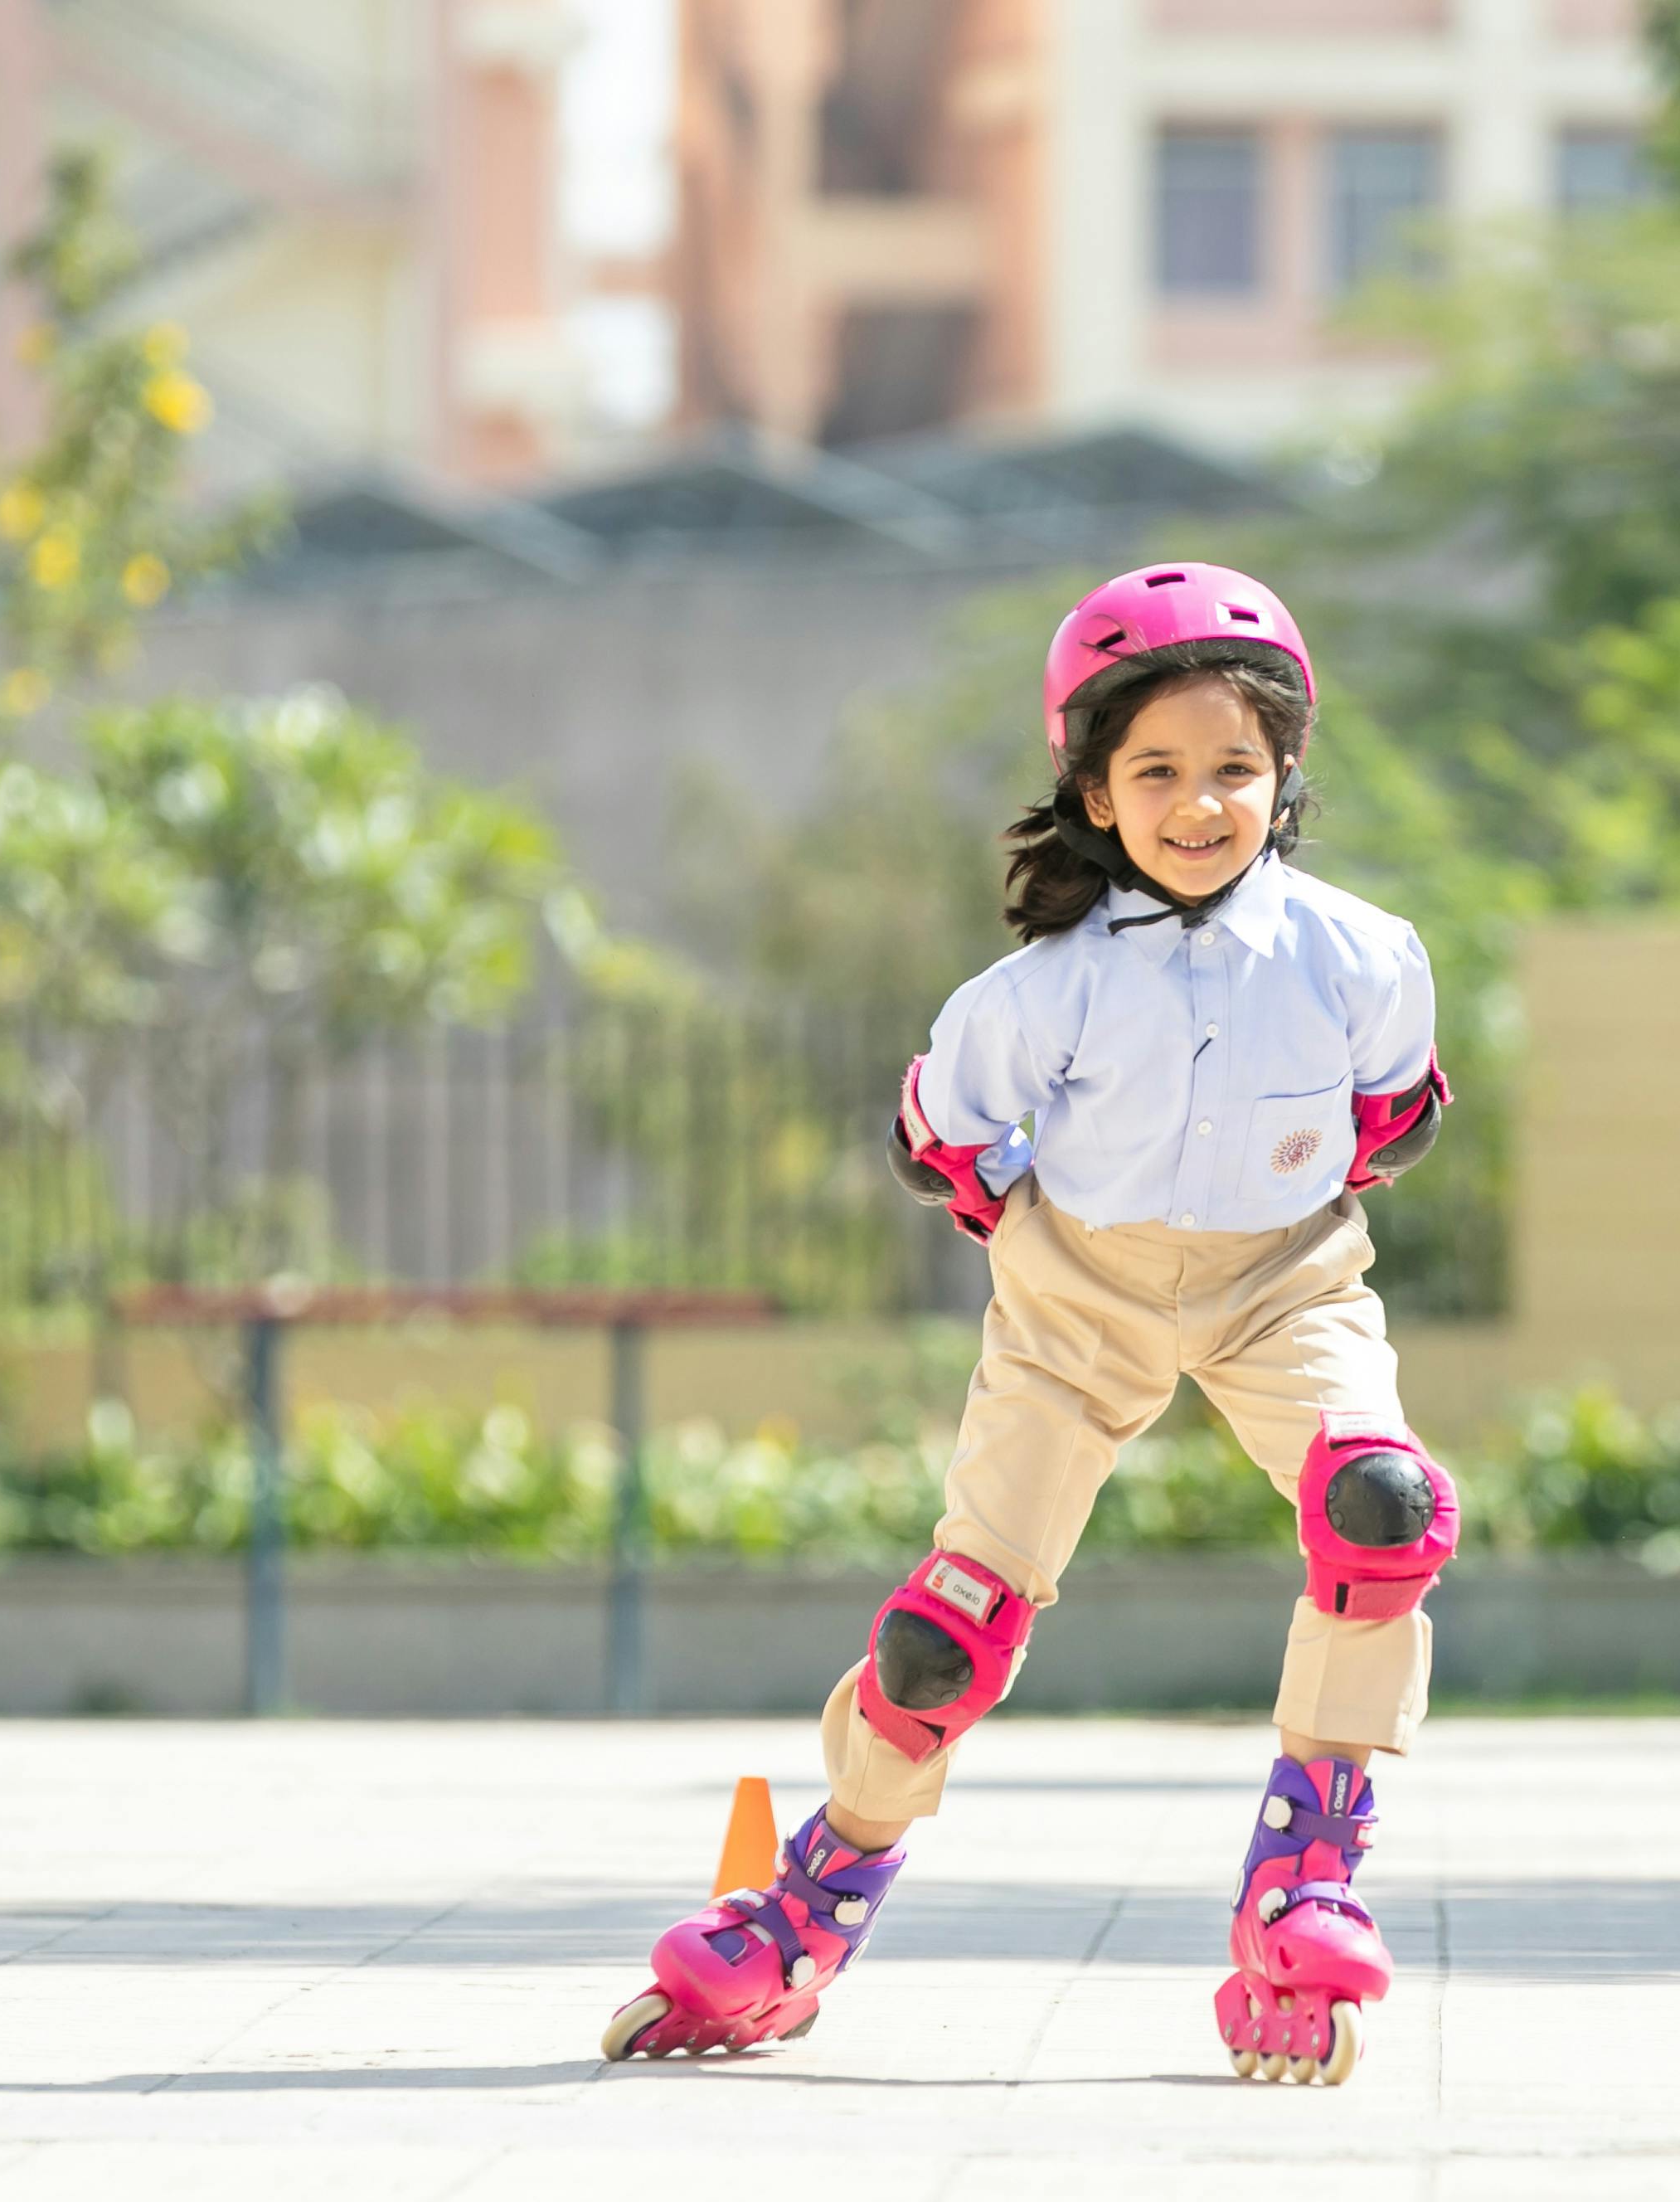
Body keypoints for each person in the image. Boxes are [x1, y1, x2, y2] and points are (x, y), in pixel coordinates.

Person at [603, 562, 1456, 2085]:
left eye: (1236, 770)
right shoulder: (1032, 995)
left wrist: (1273, 1206)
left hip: (1288, 1284)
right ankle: (810, 1908)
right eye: (1160, 773)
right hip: (1077, 1306)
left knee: (1382, 1512)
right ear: (1094, 789)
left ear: (1286, 775)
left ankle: (1308, 1874)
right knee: (946, 1638)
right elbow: (946, 1144)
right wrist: (1066, 1250)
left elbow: (1390, 1110)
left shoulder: (1362, 953)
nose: (1202, 804)